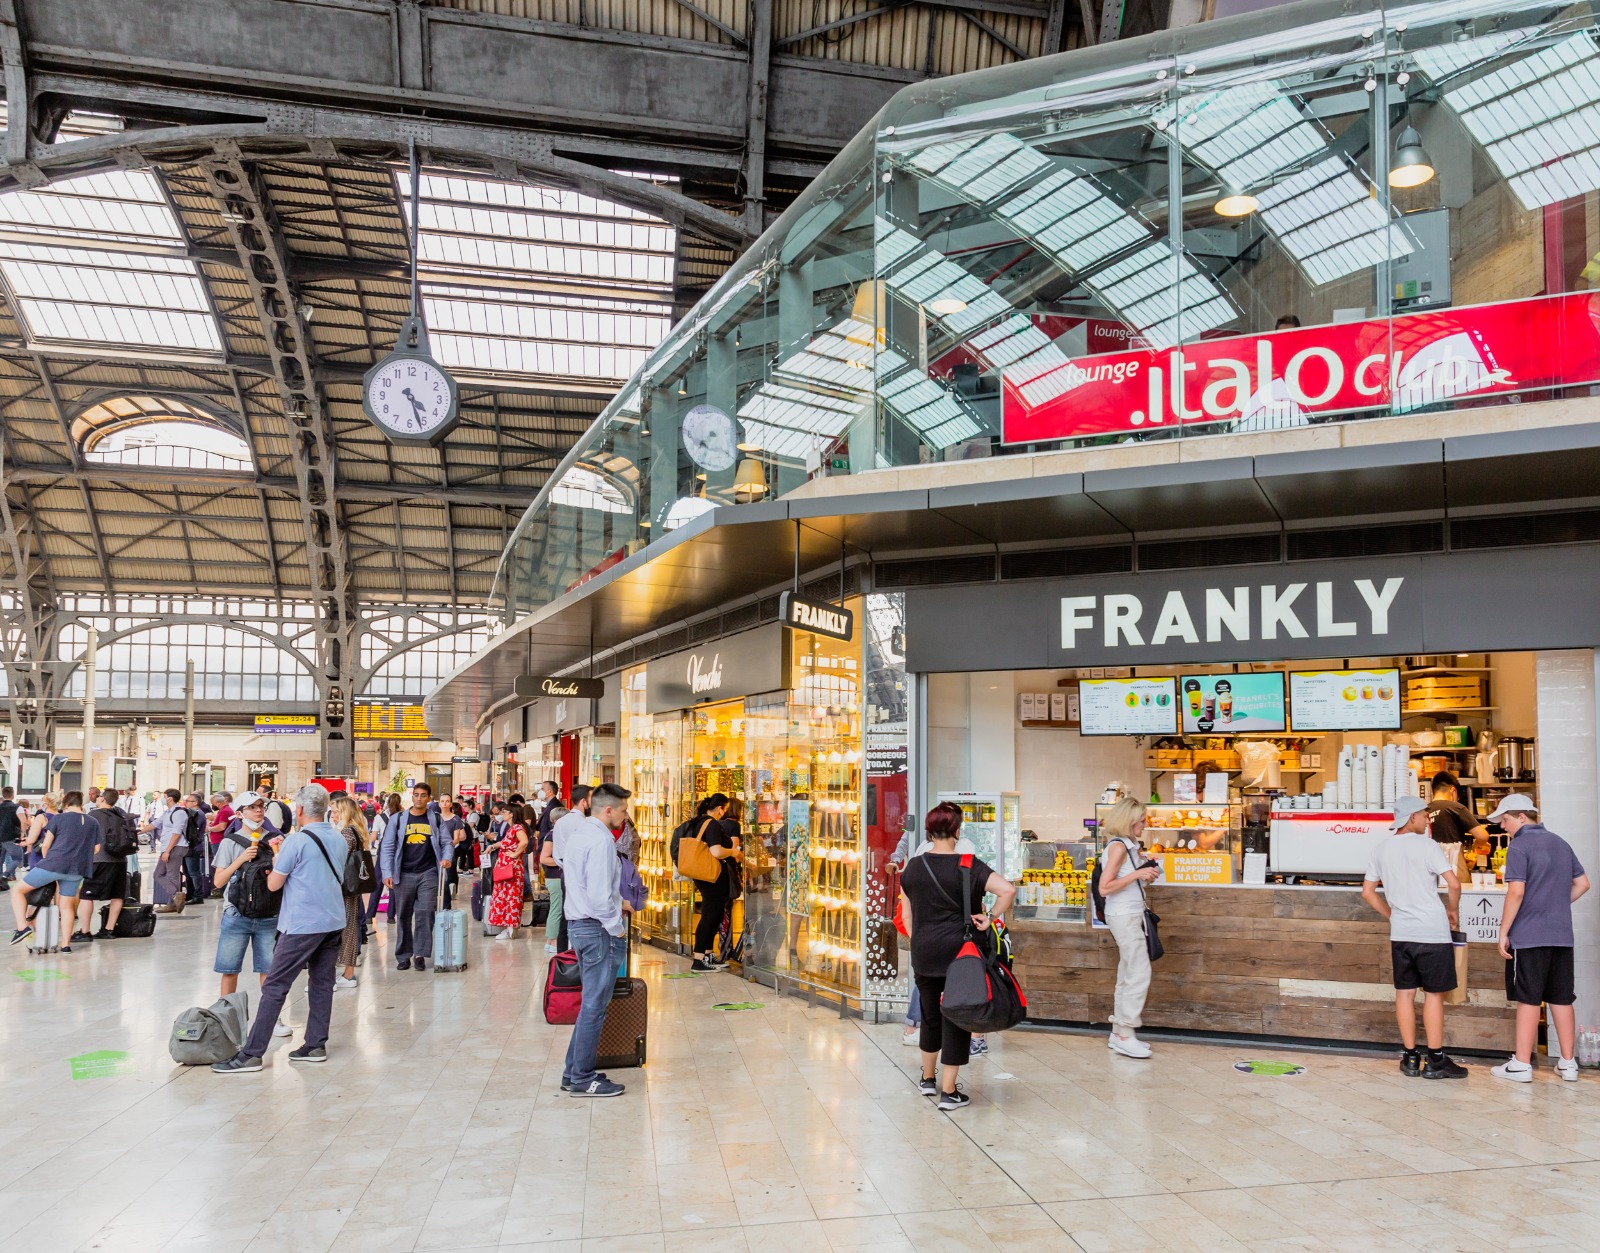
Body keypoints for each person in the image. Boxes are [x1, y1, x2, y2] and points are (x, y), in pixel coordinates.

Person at [212, 785, 348, 1072]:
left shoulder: (297, 841)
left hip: (302, 923)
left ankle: (251, 1054)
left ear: (300, 810)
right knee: (321, 983)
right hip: (333, 920)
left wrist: (276, 863)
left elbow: (274, 884)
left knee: (275, 986)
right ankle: (315, 1044)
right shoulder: (338, 838)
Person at [898, 801, 1015, 1111]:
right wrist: (990, 916)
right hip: (961, 955)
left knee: (929, 1014)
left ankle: (927, 1079)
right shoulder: (968, 865)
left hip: (924, 951)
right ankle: (949, 1092)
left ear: (929, 831)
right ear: (957, 830)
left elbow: (907, 916)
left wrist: (922, 940)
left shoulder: (914, 867)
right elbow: (1007, 890)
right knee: (958, 1016)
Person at [1361, 795, 1467, 1080]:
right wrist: (1452, 910)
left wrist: (1392, 915)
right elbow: (1454, 884)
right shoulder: (1427, 846)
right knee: (1433, 995)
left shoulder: (1381, 849)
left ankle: (1410, 1058)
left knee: (1405, 994)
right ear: (1412, 818)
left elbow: (1368, 892)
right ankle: (1435, 1060)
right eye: (1423, 815)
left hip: (1402, 934)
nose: (1427, 819)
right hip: (1432, 932)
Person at [1488, 795, 1591, 1083]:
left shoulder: (1519, 846)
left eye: (1505, 820)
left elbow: (1516, 891)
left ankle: (1521, 1064)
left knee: (1529, 998)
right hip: (1561, 935)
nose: (1503, 827)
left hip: (1529, 935)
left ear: (1521, 817)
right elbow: (1583, 884)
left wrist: (1503, 931)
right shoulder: (1560, 843)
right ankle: (1568, 1064)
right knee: (1561, 997)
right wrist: (1554, 905)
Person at [557, 782, 632, 1098]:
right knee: (594, 1006)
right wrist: (617, 928)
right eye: (623, 810)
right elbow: (600, 897)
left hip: (580, 925)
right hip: (597, 929)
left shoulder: (579, 835)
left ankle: (573, 1072)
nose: (625, 816)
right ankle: (583, 1078)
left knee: (590, 1004)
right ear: (609, 810)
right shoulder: (601, 842)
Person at [210, 792, 293, 1041]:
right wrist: (241, 859)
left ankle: (272, 1019)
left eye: (260, 806)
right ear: (239, 813)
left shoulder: (276, 840)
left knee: (269, 970)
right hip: (236, 914)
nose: (258, 810)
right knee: (229, 969)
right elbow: (218, 881)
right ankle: (227, 1019)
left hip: (269, 914)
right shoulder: (230, 842)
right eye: (252, 807)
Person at [1097, 796, 1161, 1059]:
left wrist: (1145, 872)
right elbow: (1105, 887)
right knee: (1138, 972)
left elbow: (1124, 880)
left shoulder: (1128, 846)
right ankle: (1126, 1035)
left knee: (1127, 973)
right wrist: (1137, 874)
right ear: (1129, 821)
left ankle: (1118, 1032)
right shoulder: (1118, 847)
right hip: (1124, 916)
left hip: (1129, 914)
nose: (1145, 825)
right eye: (1142, 820)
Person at [377, 782, 451, 970]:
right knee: (403, 916)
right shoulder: (398, 819)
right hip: (403, 874)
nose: (419, 798)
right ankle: (403, 956)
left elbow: (447, 842)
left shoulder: (435, 819)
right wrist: (387, 873)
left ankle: (420, 954)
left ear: (429, 798)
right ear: (412, 797)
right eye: (416, 795)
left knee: (425, 913)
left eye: (423, 795)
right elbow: (387, 846)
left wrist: (447, 858)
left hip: (429, 872)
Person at [8, 791, 95, 949]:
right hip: (76, 870)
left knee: (17, 891)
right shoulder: (92, 821)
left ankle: (22, 928)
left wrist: (46, 860)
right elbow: (96, 848)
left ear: (66, 803)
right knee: (66, 907)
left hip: (54, 864)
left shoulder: (60, 818)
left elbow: (46, 844)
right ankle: (66, 945)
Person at [685, 793, 739, 972]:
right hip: (712, 877)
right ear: (719, 808)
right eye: (725, 809)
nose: (725, 812)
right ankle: (699, 959)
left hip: (702, 875)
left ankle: (707, 955)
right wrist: (733, 852)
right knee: (710, 916)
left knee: (713, 915)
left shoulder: (698, 822)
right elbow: (716, 851)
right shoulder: (712, 823)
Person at [79, 788, 134, 940]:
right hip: (120, 859)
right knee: (117, 895)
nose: (97, 798)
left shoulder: (93, 815)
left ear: (103, 799)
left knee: (86, 895)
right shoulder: (121, 814)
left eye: (99, 796)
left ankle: (85, 931)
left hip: (99, 859)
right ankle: (109, 929)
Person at [329, 794, 370, 989]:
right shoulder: (357, 830)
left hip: (342, 887)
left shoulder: (346, 833)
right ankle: (348, 973)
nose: (333, 816)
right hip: (352, 886)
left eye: (335, 812)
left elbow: (338, 859)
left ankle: (344, 974)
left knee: (341, 929)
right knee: (350, 926)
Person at [1427, 772, 1491, 874]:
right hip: (1453, 869)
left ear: (1433, 792)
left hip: (1430, 869)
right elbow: (1483, 836)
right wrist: (1477, 843)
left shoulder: (1423, 811)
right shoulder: (1456, 808)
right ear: (1453, 790)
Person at [484, 802, 530, 938]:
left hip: (511, 868)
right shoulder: (512, 829)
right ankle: (509, 926)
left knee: (511, 896)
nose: (502, 814)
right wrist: (492, 847)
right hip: (506, 867)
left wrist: (515, 854)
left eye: (505, 812)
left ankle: (511, 927)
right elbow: (505, 843)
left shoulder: (517, 828)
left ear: (511, 814)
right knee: (505, 896)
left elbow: (524, 841)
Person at [145, 789, 189, 912]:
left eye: (164, 796)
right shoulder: (168, 812)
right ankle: (175, 897)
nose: (163, 799)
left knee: (171, 875)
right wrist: (137, 832)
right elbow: (155, 824)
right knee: (158, 874)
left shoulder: (179, 813)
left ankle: (173, 901)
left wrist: (167, 851)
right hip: (167, 847)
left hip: (175, 847)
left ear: (169, 798)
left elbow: (177, 833)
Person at [536, 782, 566, 954]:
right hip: (555, 876)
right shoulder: (553, 835)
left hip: (554, 875)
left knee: (557, 906)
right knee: (557, 907)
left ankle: (551, 940)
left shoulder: (556, 833)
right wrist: (564, 861)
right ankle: (553, 940)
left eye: (543, 788)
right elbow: (545, 858)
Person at [181, 792, 211, 904]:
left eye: (188, 801)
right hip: (187, 846)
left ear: (195, 802)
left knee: (194, 872)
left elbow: (192, 830)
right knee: (187, 872)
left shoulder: (198, 814)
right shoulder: (190, 813)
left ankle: (198, 895)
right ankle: (190, 893)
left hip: (194, 846)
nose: (186, 803)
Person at [0, 786, 22, 885]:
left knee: (1, 859)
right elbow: (24, 822)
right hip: (12, 837)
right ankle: (5, 875)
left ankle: (1, 880)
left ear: (3, 795)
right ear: (13, 795)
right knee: (18, 858)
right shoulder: (17, 808)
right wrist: (22, 833)